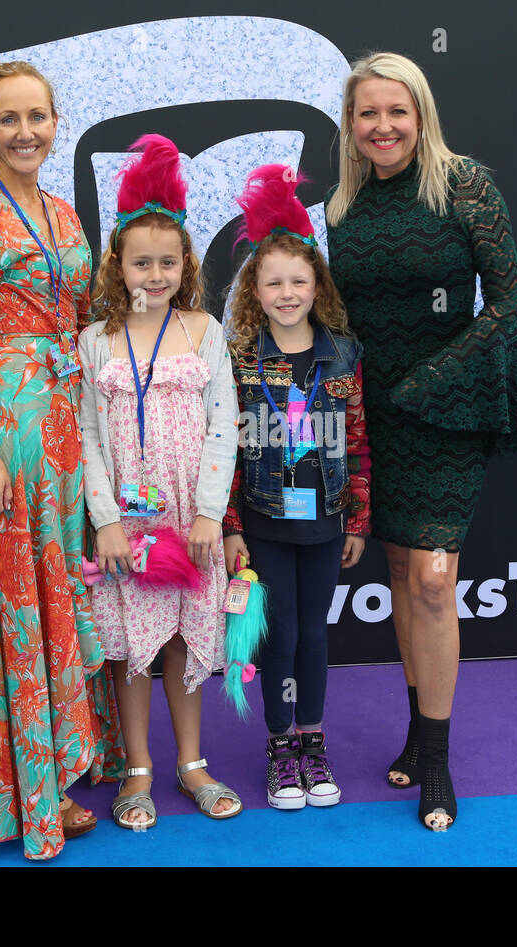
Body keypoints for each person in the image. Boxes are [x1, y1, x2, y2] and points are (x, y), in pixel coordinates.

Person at [324, 52, 517, 830]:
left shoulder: (465, 185)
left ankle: (438, 767)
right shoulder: (341, 208)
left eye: (396, 111)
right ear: (351, 125)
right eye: (367, 114)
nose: (382, 127)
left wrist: (430, 380)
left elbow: (506, 303)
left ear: (421, 114)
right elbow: (338, 319)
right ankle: (417, 730)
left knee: (435, 582)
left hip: (447, 409)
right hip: (373, 416)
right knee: (403, 568)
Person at [0, 61, 124, 861]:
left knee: (62, 593)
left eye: (37, 117)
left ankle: (66, 767)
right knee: (19, 603)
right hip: (8, 437)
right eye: (7, 118)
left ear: (56, 124)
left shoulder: (66, 214)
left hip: (68, 427)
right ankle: (27, 797)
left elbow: (89, 319)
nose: (24, 132)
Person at [77, 134, 241, 829]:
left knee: (181, 641)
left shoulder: (204, 331)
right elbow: (83, 434)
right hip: (128, 526)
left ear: (185, 265)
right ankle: (137, 768)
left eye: (167, 262)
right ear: (117, 264)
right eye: (140, 262)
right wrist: (106, 518)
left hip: (187, 522)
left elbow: (223, 427)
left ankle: (192, 761)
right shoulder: (95, 341)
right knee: (132, 651)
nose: (154, 273)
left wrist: (210, 514)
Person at [221, 165, 370, 810]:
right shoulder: (236, 358)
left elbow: (359, 440)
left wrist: (358, 520)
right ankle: (281, 746)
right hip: (262, 522)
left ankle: (314, 739)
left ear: (317, 285)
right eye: (273, 281)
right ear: (255, 287)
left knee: (315, 633)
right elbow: (220, 449)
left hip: (326, 521)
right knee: (278, 634)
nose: (287, 292)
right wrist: (229, 526)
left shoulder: (342, 355)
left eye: (299, 280)